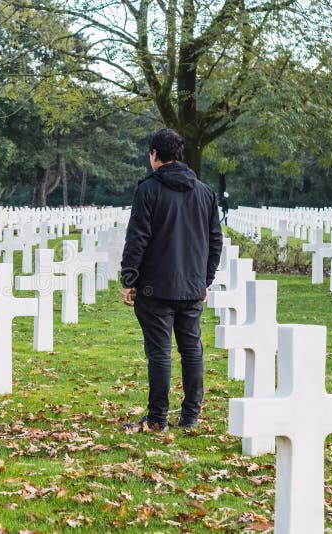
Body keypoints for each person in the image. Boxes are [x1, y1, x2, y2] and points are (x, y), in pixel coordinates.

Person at [120, 129, 223, 432]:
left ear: (154, 154)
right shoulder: (205, 192)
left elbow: (137, 237)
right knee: (191, 349)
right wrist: (205, 279)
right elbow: (215, 240)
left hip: (155, 287)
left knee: (160, 352)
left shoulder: (148, 190)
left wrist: (129, 278)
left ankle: (157, 418)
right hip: (191, 286)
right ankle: (190, 416)